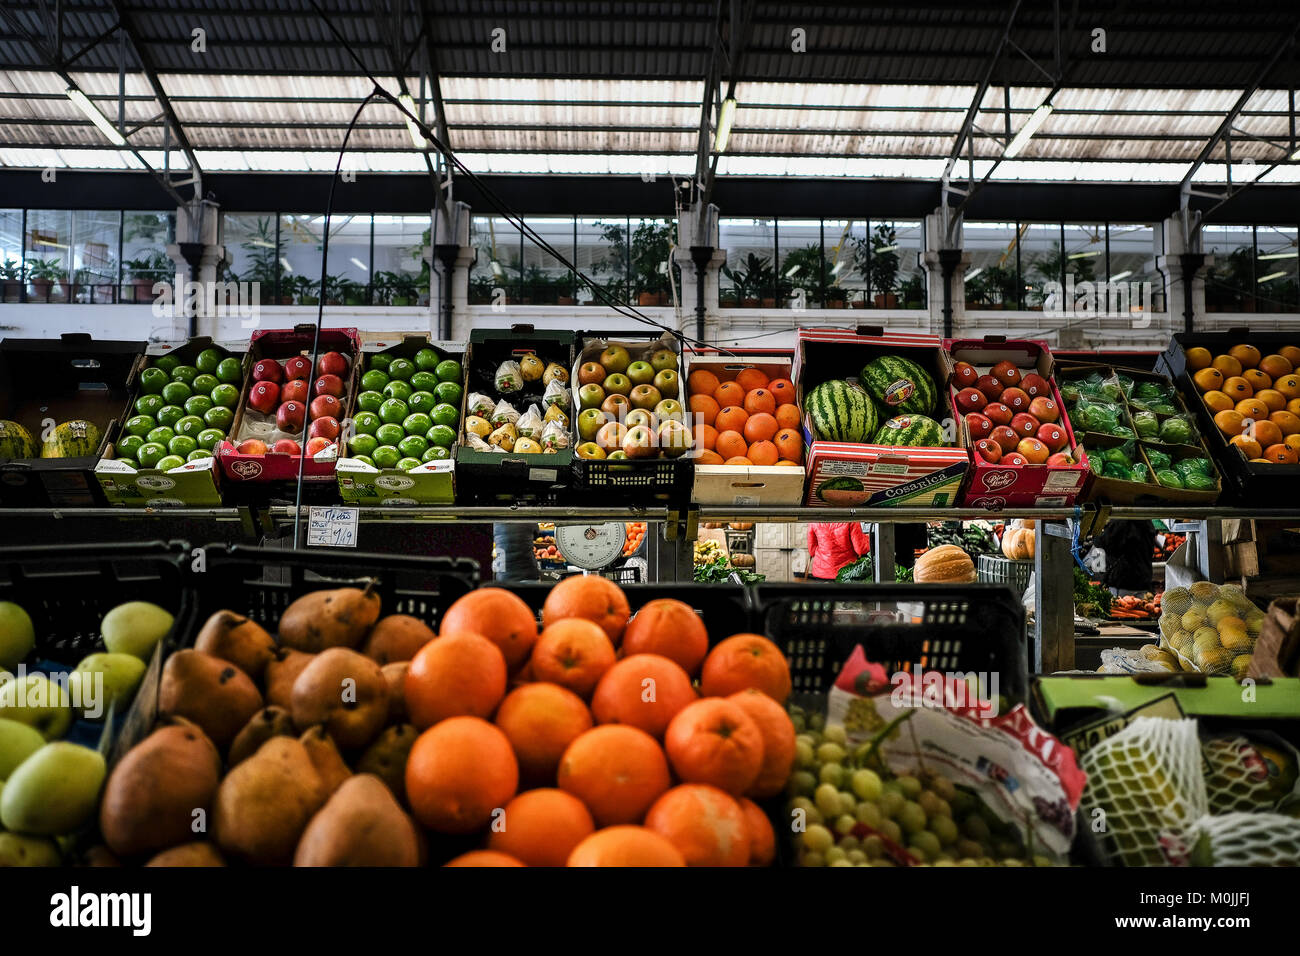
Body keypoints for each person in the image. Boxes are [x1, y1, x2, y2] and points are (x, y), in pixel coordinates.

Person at [1092, 519, 1157, 595]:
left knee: (1119, 605)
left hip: (1123, 580)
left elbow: (1103, 543)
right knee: (1139, 605)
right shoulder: (1147, 521)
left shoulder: (1121, 520)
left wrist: (1096, 533)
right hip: (1144, 580)